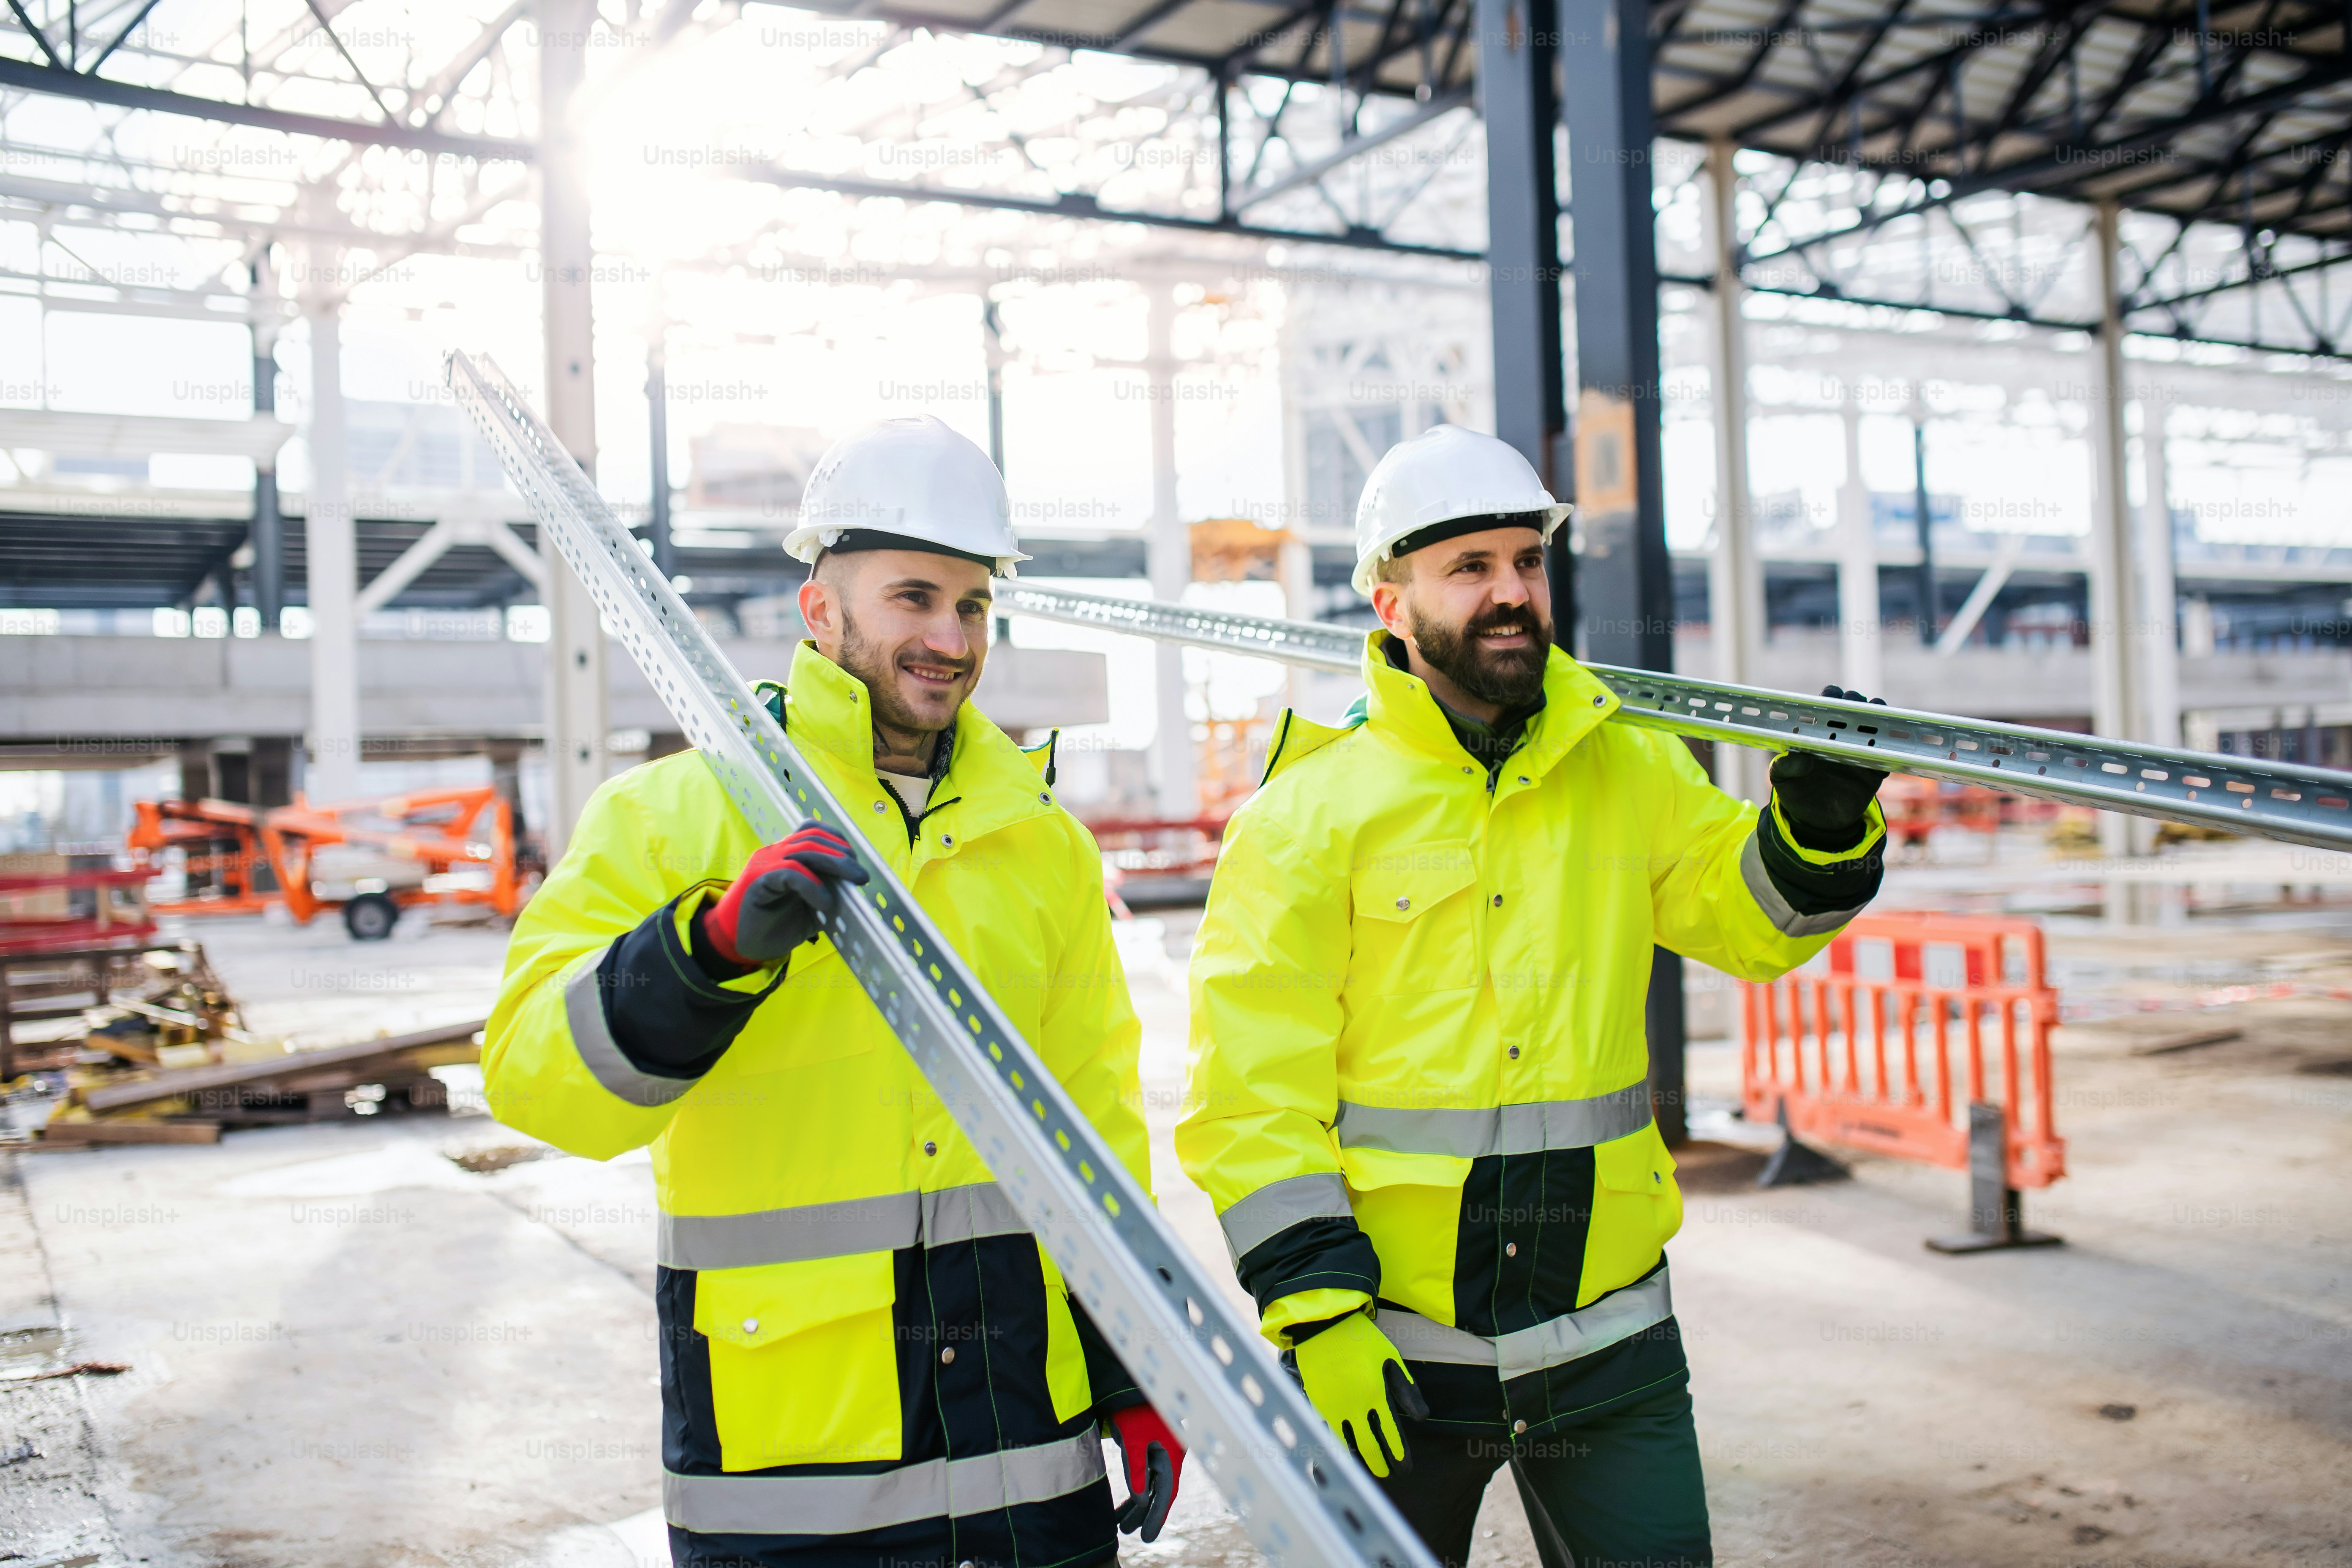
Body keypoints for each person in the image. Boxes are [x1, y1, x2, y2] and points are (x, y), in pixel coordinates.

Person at [1176, 424, 1886, 1568]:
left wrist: (1819, 831)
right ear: (1389, 603)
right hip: (1392, 1353)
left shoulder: (1627, 764)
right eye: (1471, 569)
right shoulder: (1307, 819)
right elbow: (1254, 1092)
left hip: (1611, 1339)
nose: (1512, 595)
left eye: (1527, 563)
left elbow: (1752, 922)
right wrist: (1317, 1310)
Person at [486, 416, 1183, 1568]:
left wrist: (1134, 1360)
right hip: (795, 1475)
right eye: (913, 597)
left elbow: (1096, 1130)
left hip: (1027, 1452)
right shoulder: (673, 817)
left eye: (973, 606)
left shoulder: (1043, 844)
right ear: (823, 612)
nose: (949, 638)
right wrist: (703, 955)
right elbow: (531, 1080)